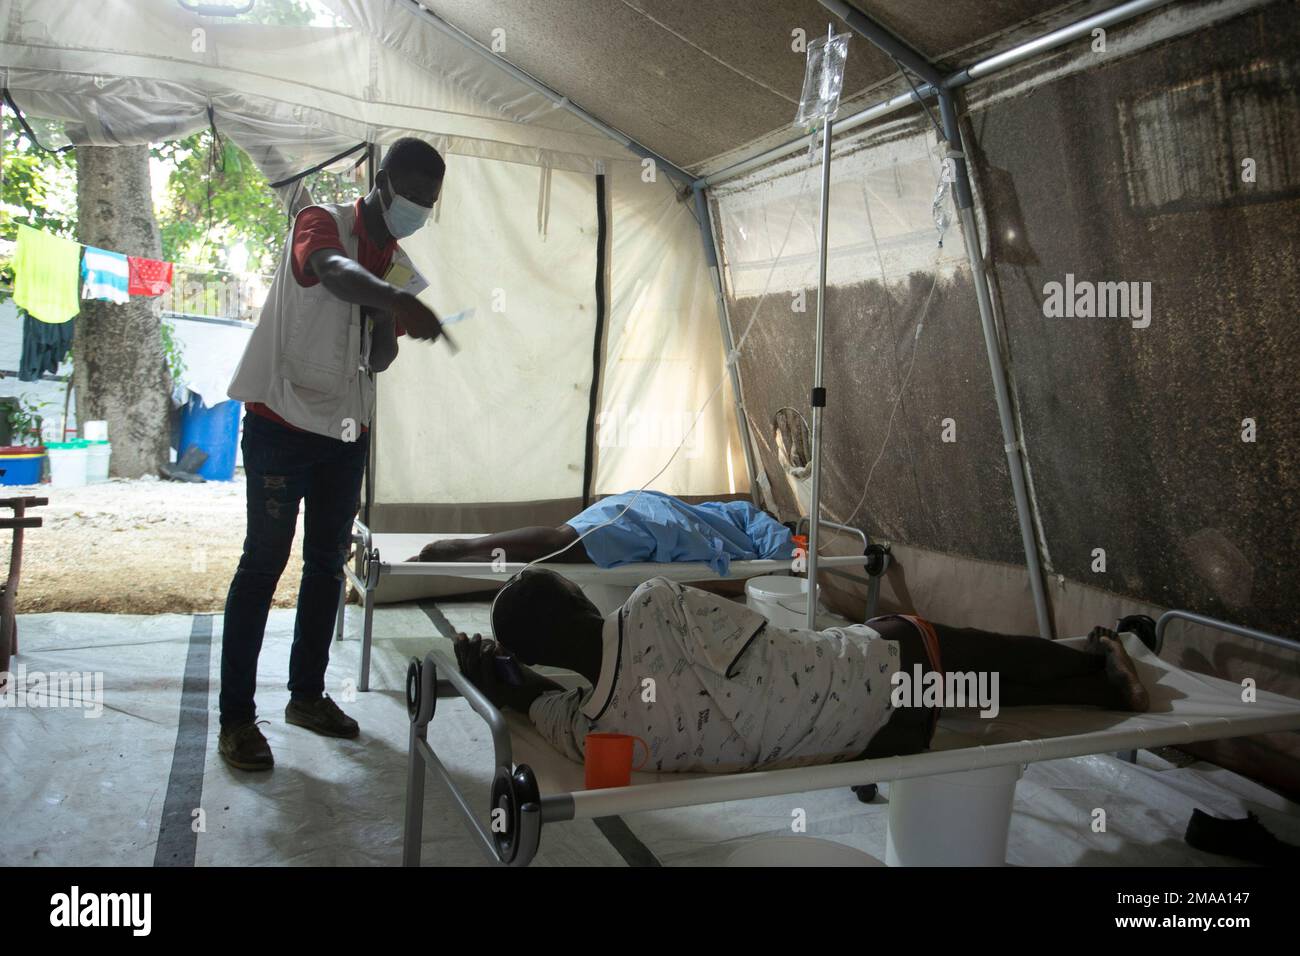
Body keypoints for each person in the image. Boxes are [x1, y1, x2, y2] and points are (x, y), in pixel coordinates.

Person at [219, 138, 448, 771]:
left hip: (346, 436)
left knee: (325, 566)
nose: (419, 209)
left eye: (430, 201)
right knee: (262, 565)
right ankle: (236, 718)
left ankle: (306, 697)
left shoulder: (399, 263)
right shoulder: (320, 221)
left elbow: (379, 360)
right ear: (382, 183)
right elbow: (327, 269)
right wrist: (390, 298)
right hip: (280, 424)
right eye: (413, 196)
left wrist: (389, 315)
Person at [453, 568, 1150, 774]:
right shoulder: (658, 603)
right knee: (930, 651)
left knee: (945, 686)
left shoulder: (596, 729)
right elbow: (776, 640)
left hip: (877, 739)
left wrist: (499, 677)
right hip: (876, 674)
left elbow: (537, 703)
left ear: (540, 659)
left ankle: (1096, 686)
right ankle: (1088, 660)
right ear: (578, 595)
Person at [412, 490, 796, 576]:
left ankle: (468, 550)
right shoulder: (753, 516)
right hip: (654, 523)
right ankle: (468, 546)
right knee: (560, 543)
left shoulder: (732, 513)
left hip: (641, 508)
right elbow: (778, 550)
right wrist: (794, 548)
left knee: (556, 543)